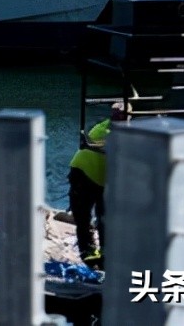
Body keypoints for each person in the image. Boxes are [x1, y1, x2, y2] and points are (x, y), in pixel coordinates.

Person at [68, 102, 128, 270]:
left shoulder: (123, 131)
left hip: (103, 180)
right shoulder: (105, 131)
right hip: (83, 174)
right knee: (83, 217)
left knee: (104, 218)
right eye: (118, 115)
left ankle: (105, 255)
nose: (121, 118)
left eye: (124, 115)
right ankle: (89, 256)